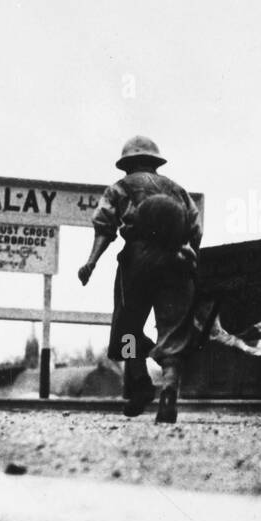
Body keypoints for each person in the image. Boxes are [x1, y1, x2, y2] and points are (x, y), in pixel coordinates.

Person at [78, 136, 202, 423]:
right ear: (156, 162)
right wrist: (192, 261)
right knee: (173, 330)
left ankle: (140, 382)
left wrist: (92, 261)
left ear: (127, 165)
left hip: (138, 261)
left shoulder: (120, 188)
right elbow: (195, 229)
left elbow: (105, 228)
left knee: (129, 326)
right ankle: (169, 388)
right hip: (177, 261)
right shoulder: (177, 189)